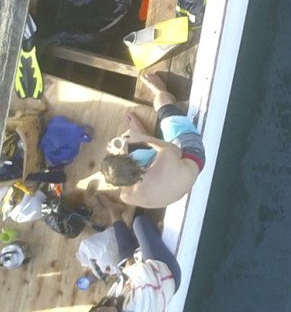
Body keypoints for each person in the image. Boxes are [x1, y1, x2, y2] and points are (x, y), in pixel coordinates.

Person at [83, 71, 207, 211]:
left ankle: (145, 141)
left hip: (174, 171)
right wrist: (142, 137)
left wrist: (125, 153)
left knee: (138, 155)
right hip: (191, 153)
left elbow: (131, 177)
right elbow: (174, 149)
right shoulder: (166, 159)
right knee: (161, 103)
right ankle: (162, 93)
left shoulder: (127, 197)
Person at [78, 215, 179, 312]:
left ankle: (116, 217)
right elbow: (142, 271)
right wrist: (129, 263)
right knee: (139, 224)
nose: (111, 307)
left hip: (142, 284)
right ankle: (117, 216)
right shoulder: (134, 307)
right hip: (167, 277)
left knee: (125, 255)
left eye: (103, 308)